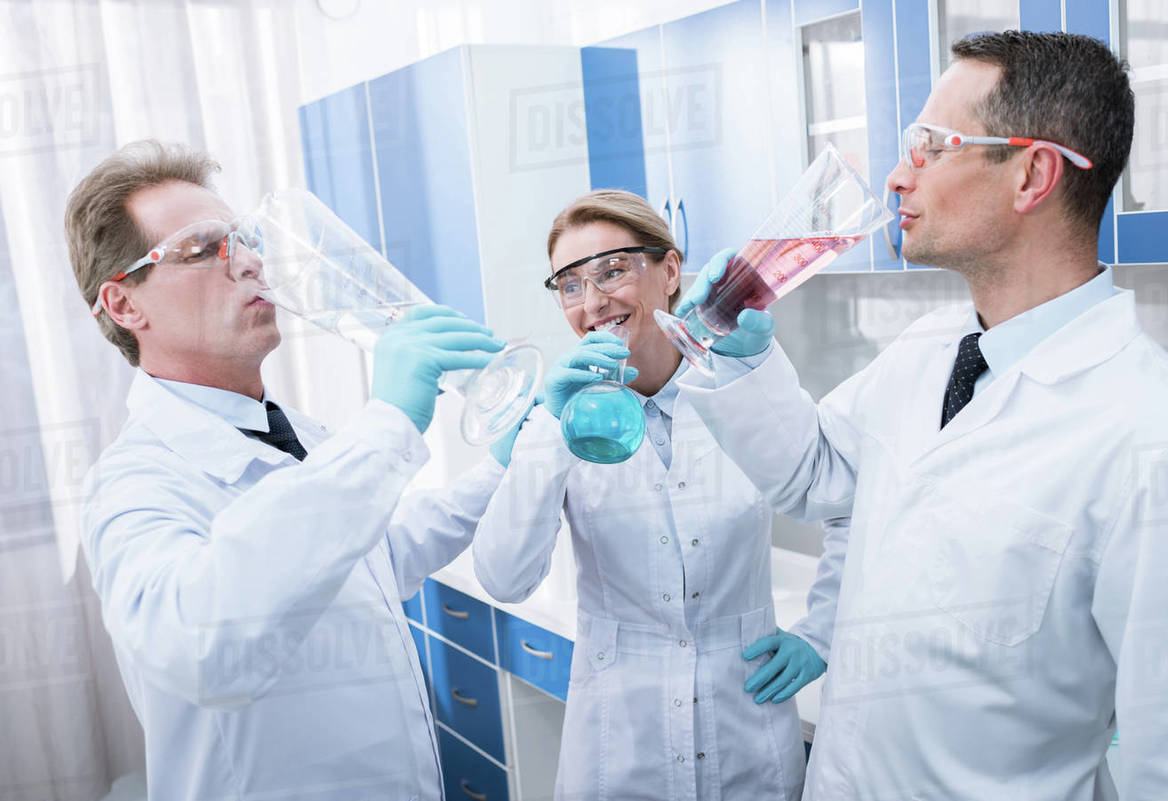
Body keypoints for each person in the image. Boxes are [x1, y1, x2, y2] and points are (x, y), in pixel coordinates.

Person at [675, 31, 1168, 800]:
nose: (894, 176)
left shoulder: (1157, 439)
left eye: (929, 146)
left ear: (1032, 174)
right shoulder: (930, 348)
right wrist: (745, 357)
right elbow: (815, 476)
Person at [66, 140, 520, 801]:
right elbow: (203, 647)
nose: (251, 261)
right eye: (204, 248)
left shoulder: (297, 433)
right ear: (126, 304)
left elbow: (383, 550)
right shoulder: (131, 484)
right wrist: (388, 419)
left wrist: (506, 464)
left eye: (246, 240)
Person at [471, 189, 816, 801]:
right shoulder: (559, 418)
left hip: (747, 740)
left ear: (671, 270)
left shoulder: (739, 385)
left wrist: (825, 630)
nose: (593, 301)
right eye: (570, 285)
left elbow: (841, 500)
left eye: (612, 270)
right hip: (622, 751)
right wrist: (550, 431)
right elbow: (503, 577)